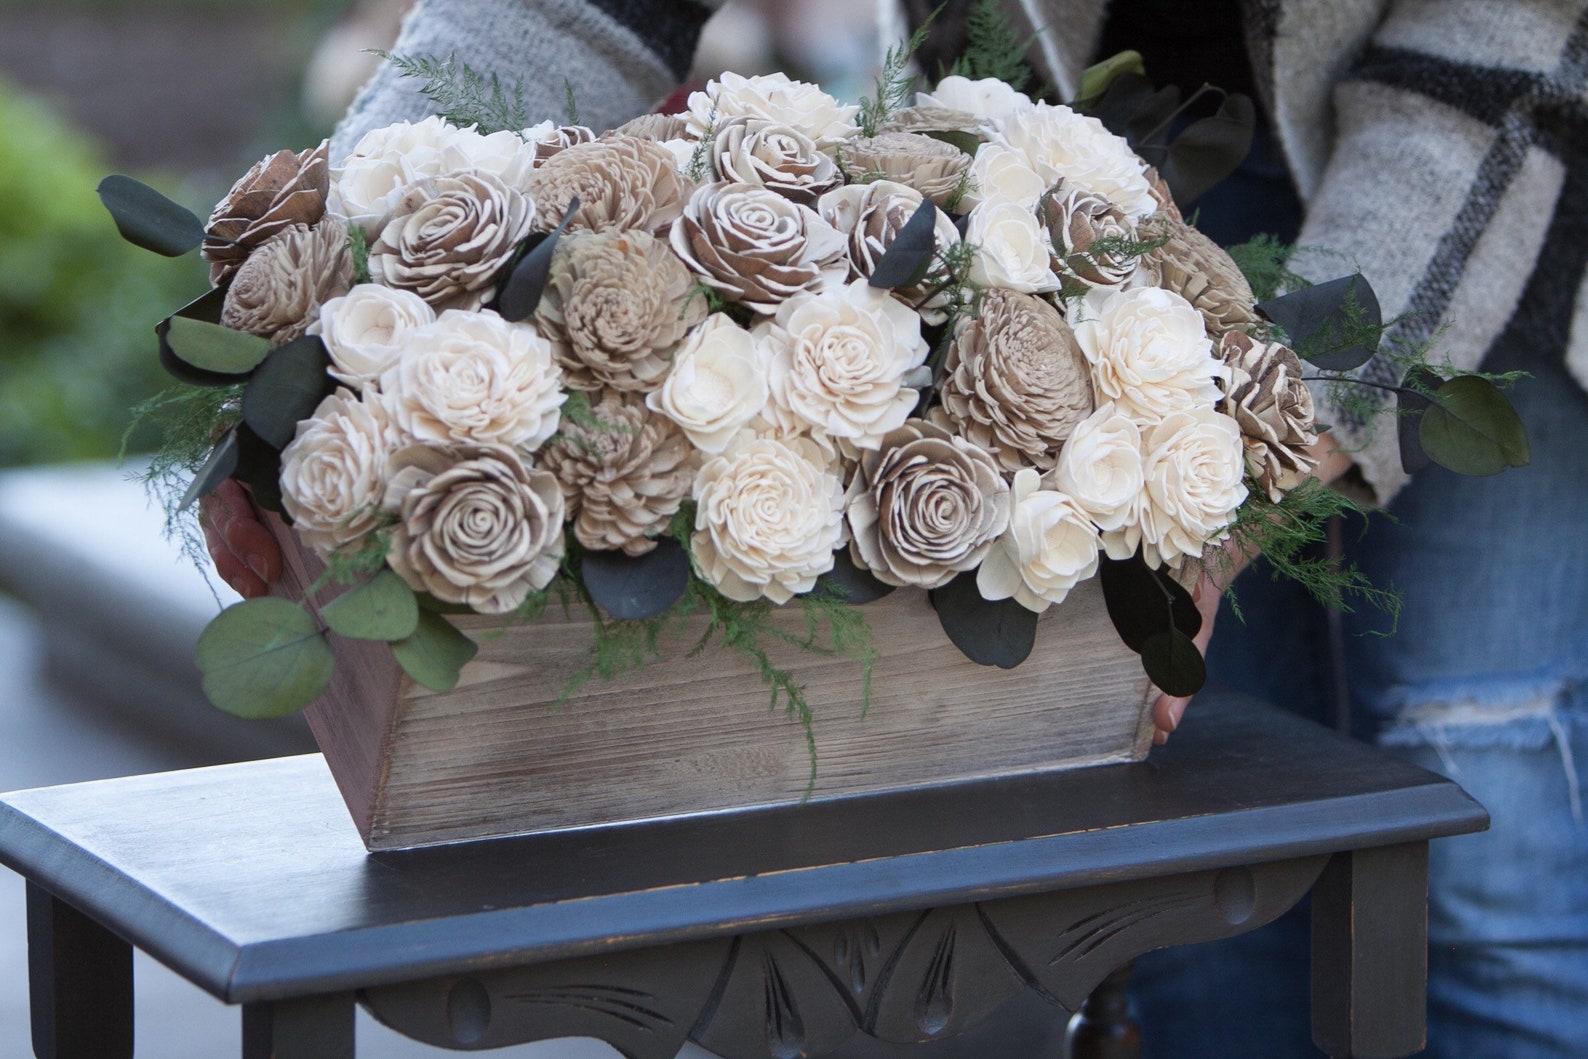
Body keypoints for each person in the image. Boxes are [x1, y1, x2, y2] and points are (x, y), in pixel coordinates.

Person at [202, 0, 1588, 1053]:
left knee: (1480, 788)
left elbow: (1503, 71)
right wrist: (304, 361)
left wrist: (1238, 498)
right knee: (1194, 822)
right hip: (1088, 163)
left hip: (1479, 162)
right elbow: (564, 14)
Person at [920, 1, 1587, 1055]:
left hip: (1491, 180)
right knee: (1195, 836)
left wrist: (1238, 491)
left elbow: (1501, 50)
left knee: (1473, 809)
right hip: (1105, 195)